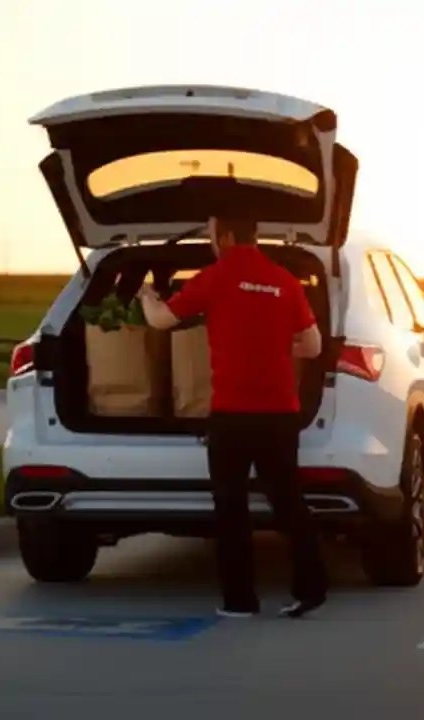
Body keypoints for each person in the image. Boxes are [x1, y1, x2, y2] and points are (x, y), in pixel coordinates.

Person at [140, 215, 328, 619]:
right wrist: (274, 349)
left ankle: (240, 600)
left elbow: (161, 321)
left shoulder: (216, 276)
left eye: (211, 233)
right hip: (280, 413)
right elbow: (312, 346)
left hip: (233, 414)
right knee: (288, 501)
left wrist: (146, 297)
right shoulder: (284, 281)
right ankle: (311, 587)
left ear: (224, 235)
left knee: (231, 506)